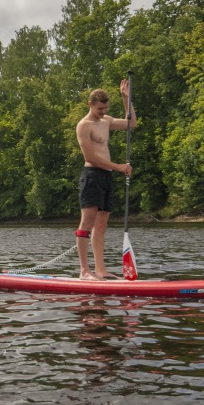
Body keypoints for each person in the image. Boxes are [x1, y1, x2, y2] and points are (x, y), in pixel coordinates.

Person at [74, 77, 137, 280]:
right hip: (92, 176)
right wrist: (119, 167)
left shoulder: (106, 121)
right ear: (90, 104)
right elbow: (90, 157)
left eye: (106, 108)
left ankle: (100, 271)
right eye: (100, 108)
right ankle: (85, 271)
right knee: (87, 224)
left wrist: (126, 99)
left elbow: (131, 123)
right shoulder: (84, 125)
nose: (103, 111)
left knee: (101, 226)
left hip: (107, 178)